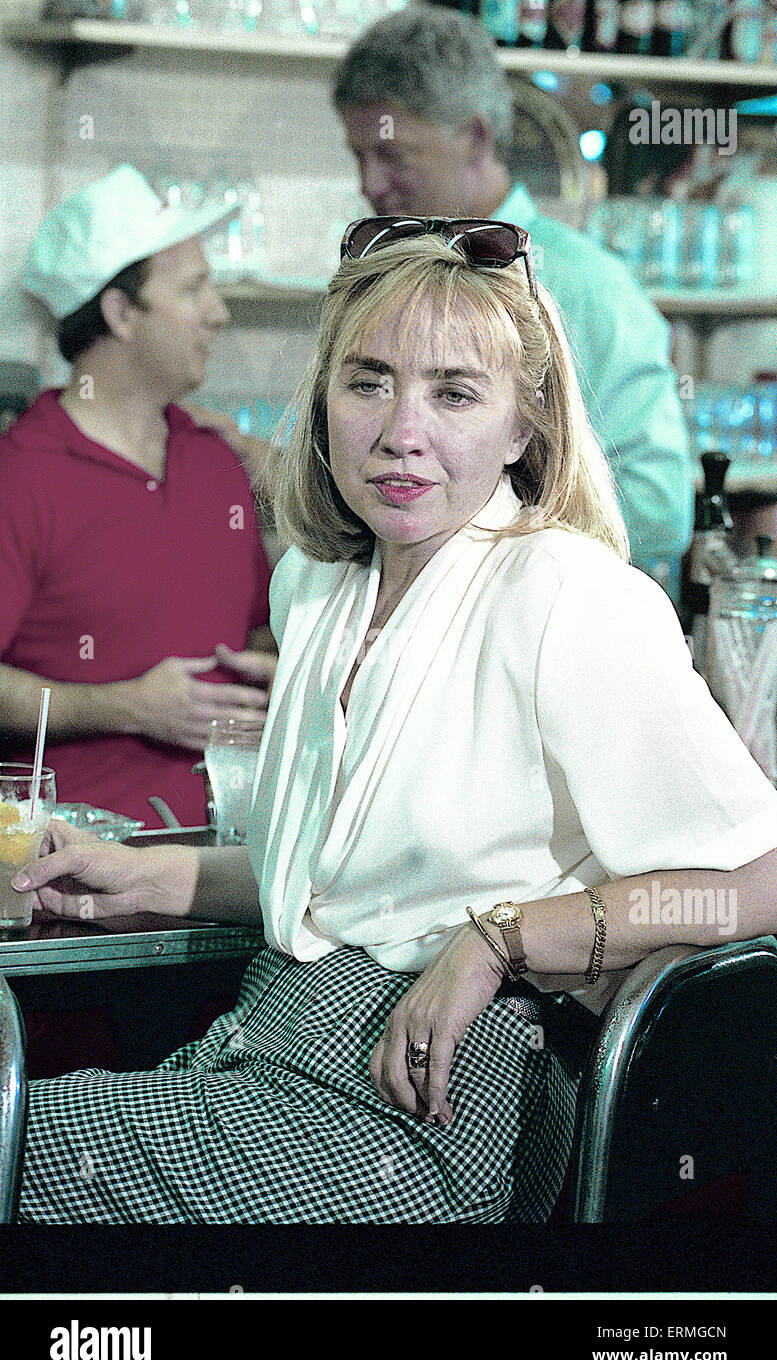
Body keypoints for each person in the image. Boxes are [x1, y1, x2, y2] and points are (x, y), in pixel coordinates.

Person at [12, 220, 777, 1225]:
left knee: (21, 1148)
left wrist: (499, 941)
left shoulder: (571, 597)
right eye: (367, 381)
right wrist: (145, 875)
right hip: (263, 1048)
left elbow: (757, 876)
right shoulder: (320, 590)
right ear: (324, 401)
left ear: (524, 424)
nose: (400, 429)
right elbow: (344, 886)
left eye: (454, 392)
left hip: (422, 1109)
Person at [331, 3, 696, 588]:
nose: (369, 186)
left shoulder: (588, 289)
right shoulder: (380, 280)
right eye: (359, 158)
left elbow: (659, 509)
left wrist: (474, 522)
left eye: (392, 155)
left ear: (475, 137)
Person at [0, 165, 275, 830]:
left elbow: (256, 628)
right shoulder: (22, 477)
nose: (219, 311)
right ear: (121, 312)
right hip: (73, 890)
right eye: (193, 288)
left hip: (227, 872)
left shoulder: (218, 458)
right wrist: (125, 705)